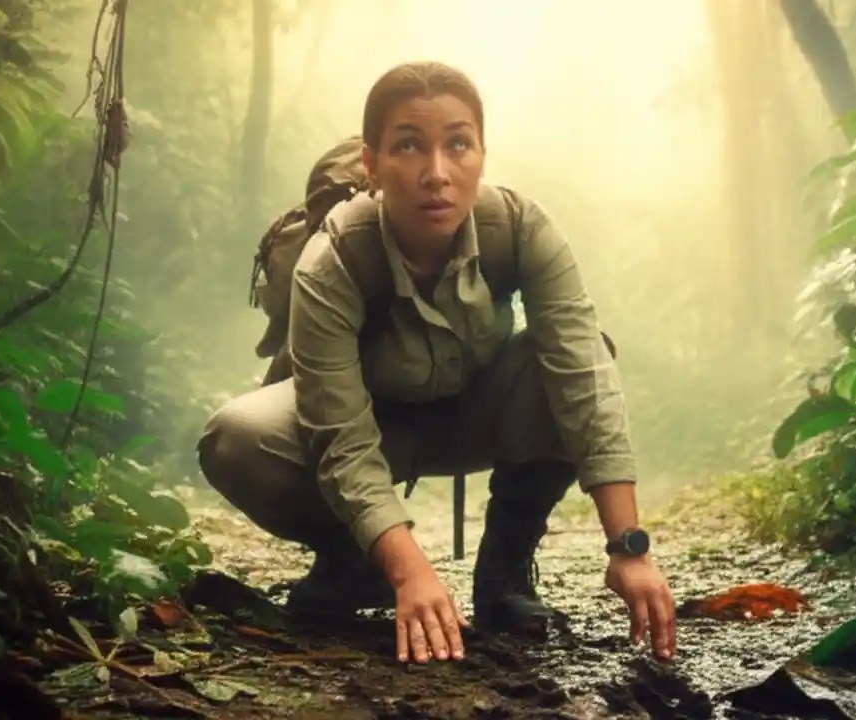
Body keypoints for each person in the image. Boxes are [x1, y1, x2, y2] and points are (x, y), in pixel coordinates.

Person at [197, 60, 677, 665]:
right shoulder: (333, 259)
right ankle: (355, 561)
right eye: (408, 146)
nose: (437, 173)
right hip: (371, 423)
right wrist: (409, 572)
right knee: (235, 438)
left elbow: (585, 378)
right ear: (372, 164)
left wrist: (629, 549)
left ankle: (505, 572)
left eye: (458, 144)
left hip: (475, 413)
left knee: (579, 357)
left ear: (482, 155)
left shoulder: (522, 228)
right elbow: (340, 438)